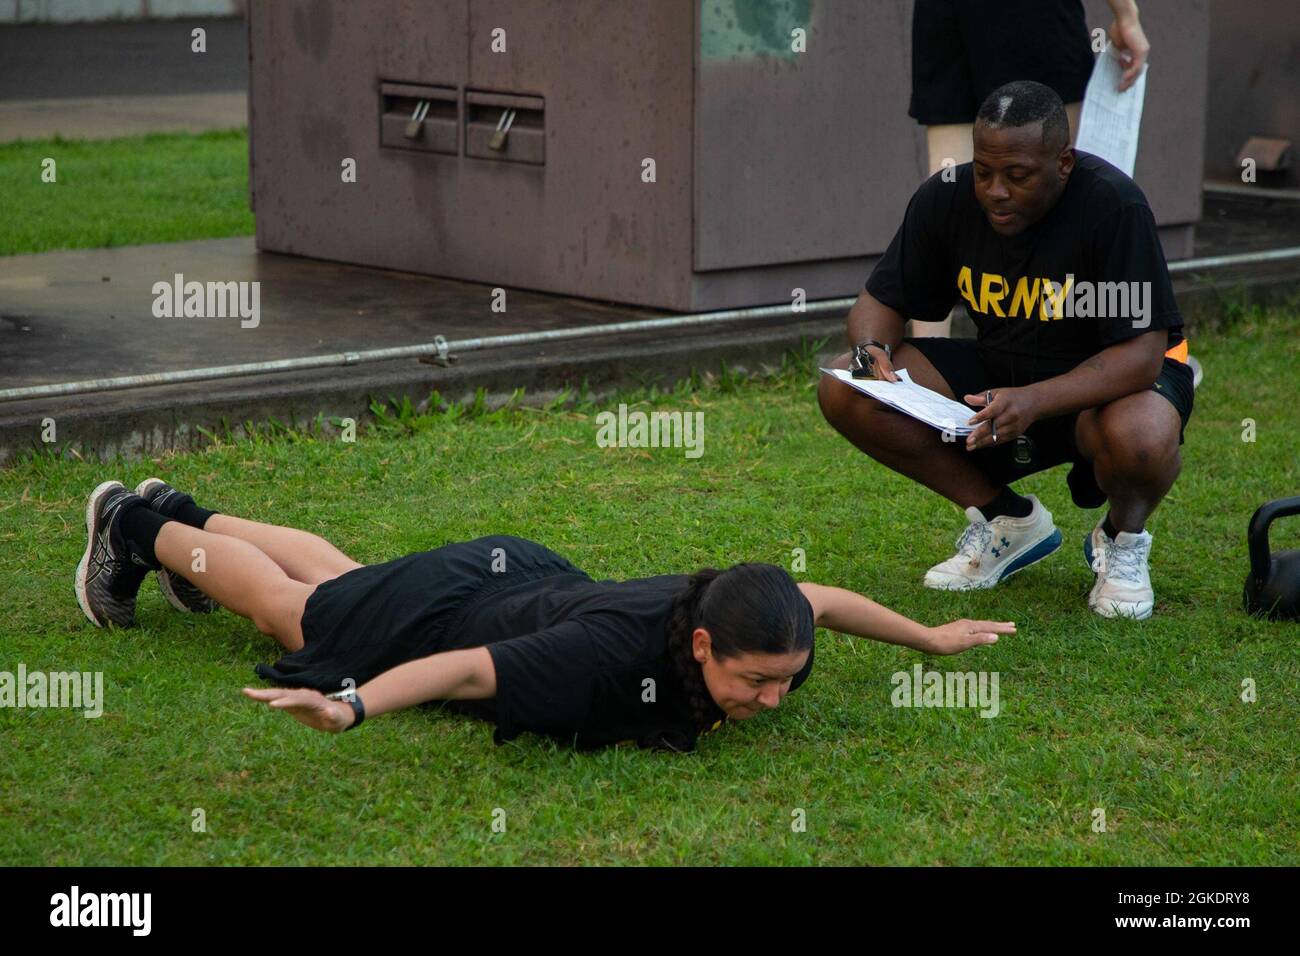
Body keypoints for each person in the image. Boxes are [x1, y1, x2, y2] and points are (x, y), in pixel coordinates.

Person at [74, 478, 1014, 752]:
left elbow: (824, 602)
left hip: (508, 578)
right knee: (304, 612)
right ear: (698, 644)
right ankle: (133, 524)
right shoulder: (600, 661)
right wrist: (353, 704)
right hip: (472, 618)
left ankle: (188, 516)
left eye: (784, 677)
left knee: (350, 578)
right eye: (756, 682)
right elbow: (467, 673)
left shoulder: (755, 619)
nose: (774, 698)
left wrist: (928, 637)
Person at [817, 80, 1193, 621]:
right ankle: (1006, 522)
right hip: (1005, 371)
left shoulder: (1113, 204)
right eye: (984, 171)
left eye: (1017, 176)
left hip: (1112, 384)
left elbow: (1141, 355)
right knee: (846, 387)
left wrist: (1035, 400)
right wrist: (872, 347)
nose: (995, 190)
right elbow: (880, 300)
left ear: (1063, 163)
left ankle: (1123, 540)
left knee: (1141, 437)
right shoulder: (945, 196)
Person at [909, 0, 1150, 338]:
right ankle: (1057, 353)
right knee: (1058, 179)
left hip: (945, 12)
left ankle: (926, 357)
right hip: (1034, 12)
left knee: (948, 183)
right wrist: (1126, 15)